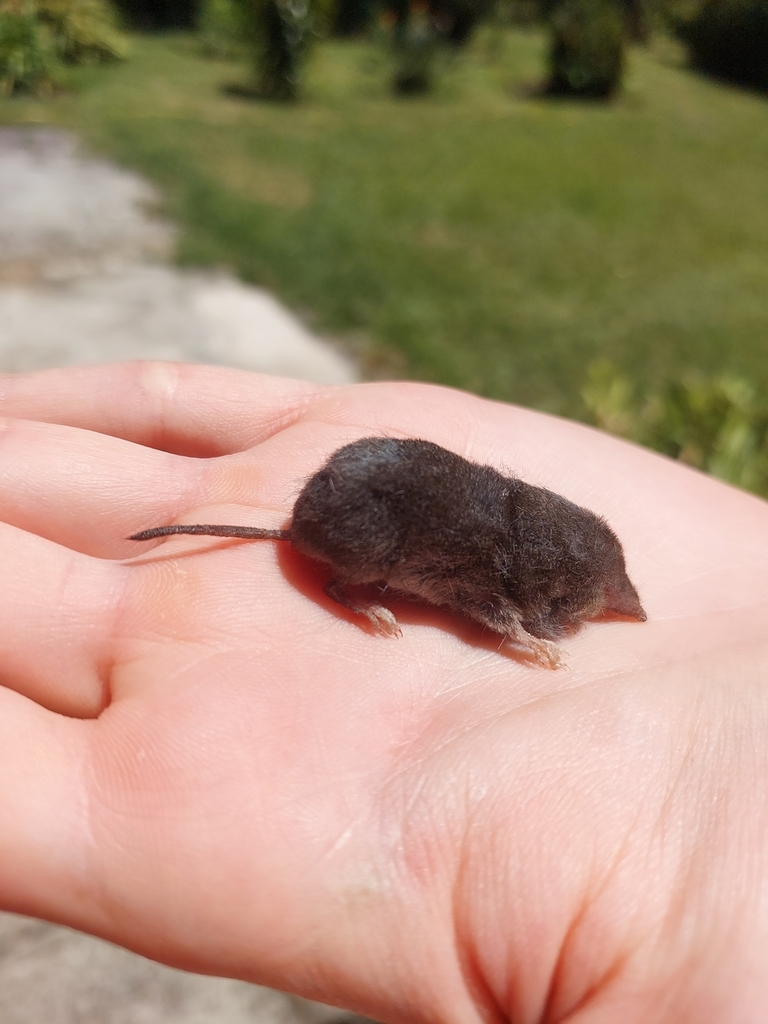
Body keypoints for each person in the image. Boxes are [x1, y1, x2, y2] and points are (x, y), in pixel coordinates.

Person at [0, 361, 766, 1023]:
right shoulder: (490, 569)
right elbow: (484, 597)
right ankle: (345, 586)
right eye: (570, 607)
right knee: (403, 557)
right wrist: (522, 637)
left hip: (382, 489)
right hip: (361, 521)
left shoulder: (525, 536)